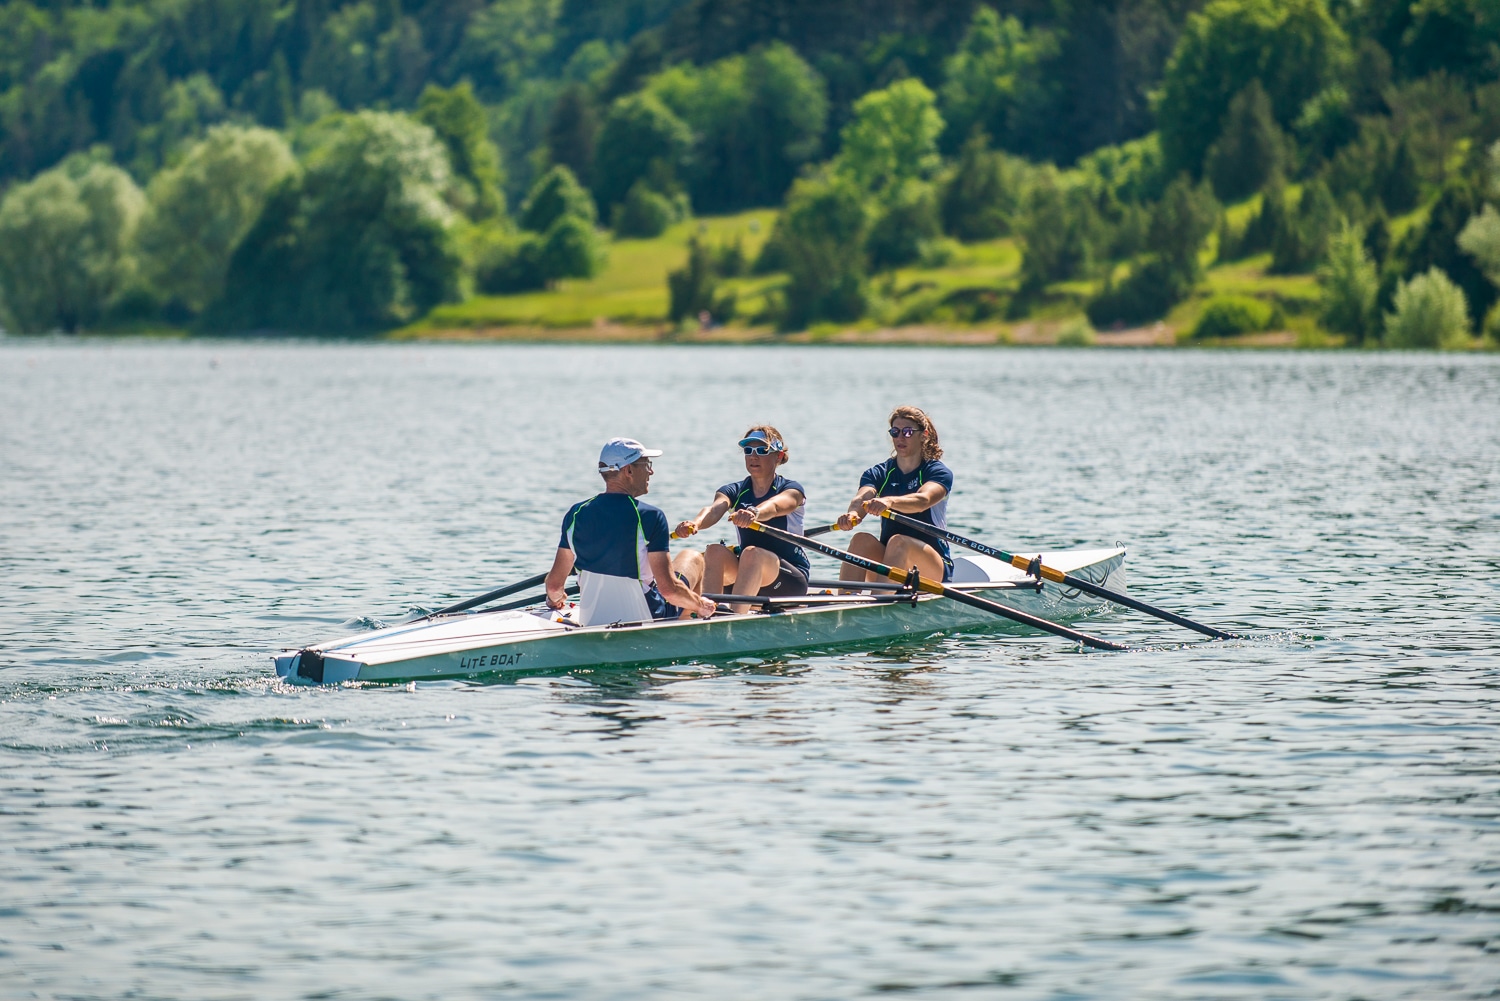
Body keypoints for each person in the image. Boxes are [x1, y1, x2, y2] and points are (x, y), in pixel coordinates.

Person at [545, 437, 715, 625]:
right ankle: (694, 622)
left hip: (592, 618)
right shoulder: (650, 516)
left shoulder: (575, 514)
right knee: (692, 557)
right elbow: (669, 591)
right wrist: (700, 604)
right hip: (648, 615)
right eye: (646, 464)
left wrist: (554, 601)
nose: (651, 471)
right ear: (629, 470)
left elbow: (554, 586)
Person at [672, 426, 810, 612]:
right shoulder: (734, 490)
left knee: (752, 553)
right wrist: (695, 523)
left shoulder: (791, 490)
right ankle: (709, 613)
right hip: (749, 574)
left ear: (778, 457)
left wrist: (754, 513)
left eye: (762, 451)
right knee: (714, 551)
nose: (754, 456)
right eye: (748, 451)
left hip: (789, 580)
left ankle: (736, 619)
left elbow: (776, 506)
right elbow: (714, 510)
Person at [836, 405, 953, 587]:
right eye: (895, 432)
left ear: (924, 435)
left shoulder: (937, 471)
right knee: (861, 540)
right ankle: (845, 601)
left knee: (899, 542)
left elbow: (923, 500)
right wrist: (853, 514)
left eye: (907, 432)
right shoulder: (879, 473)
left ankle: (881, 600)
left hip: (933, 567)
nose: (900, 438)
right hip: (892, 564)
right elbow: (861, 499)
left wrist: (889, 501)